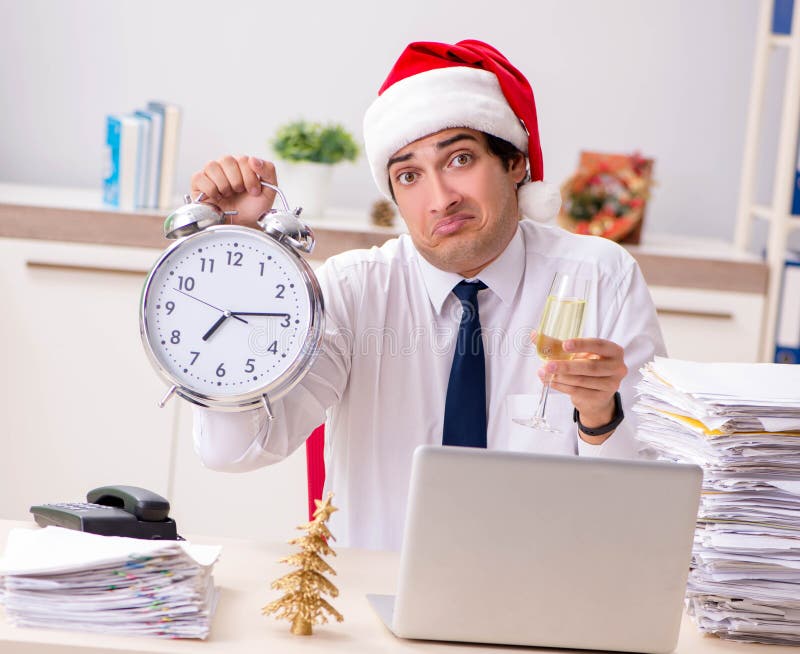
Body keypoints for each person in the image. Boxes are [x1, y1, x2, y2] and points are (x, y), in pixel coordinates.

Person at [189, 39, 665, 550]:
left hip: (543, 590)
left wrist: (600, 417)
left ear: (514, 163)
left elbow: (652, 505)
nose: (440, 199)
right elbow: (233, 450)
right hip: (376, 591)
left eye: (460, 159)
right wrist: (239, 257)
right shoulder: (351, 291)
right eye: (409, 175)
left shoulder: (600, 278)